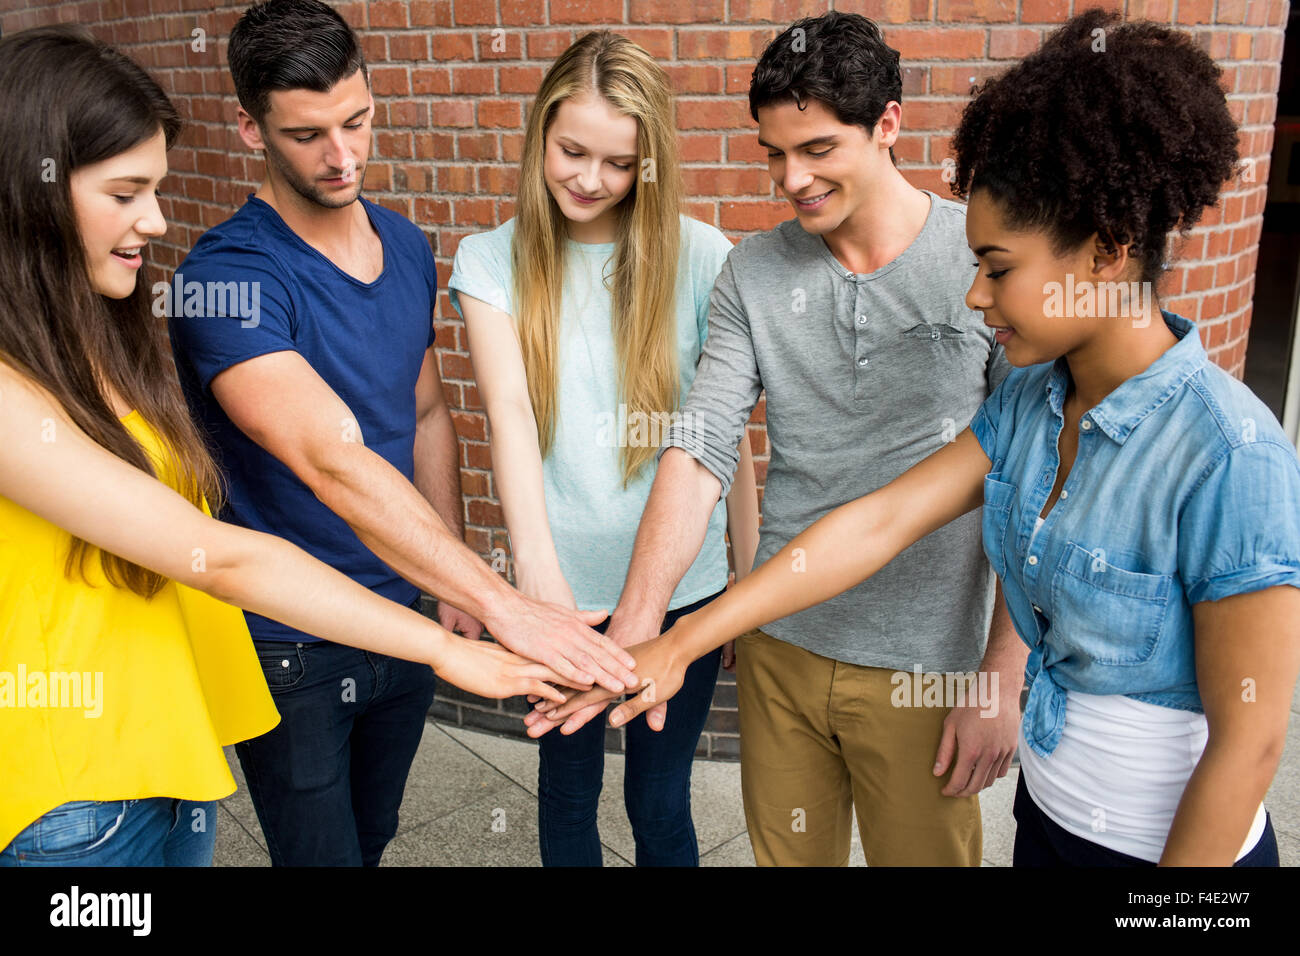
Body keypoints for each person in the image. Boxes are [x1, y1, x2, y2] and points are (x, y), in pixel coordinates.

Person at [537, 9, 1300, 867]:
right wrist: (673, 636)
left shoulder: (1232, 453)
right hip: (1039, 818)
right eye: (774, 154)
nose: (975, 295)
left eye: (998, 270)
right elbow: (865, 519)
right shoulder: (1031, 413)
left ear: (1106, 253)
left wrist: (995, 674)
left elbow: (1249, 747)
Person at [0, 25, 567, 868]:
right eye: (126, 193)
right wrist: (490, 608)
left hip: (173, 742)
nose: (155, 220)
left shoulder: (88, 343)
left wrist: (447, 585)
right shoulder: (225, 280)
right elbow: (260, 522)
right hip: (101, 772)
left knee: (369, 838)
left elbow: (427, 413)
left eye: (358, 122)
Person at [449, 31, 760, 867]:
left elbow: (719, 440)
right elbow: (508, 414)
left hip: (684, 591)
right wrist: (537, 582)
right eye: (571, 150)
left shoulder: (704, 255)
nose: (589, 179)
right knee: (567, 792)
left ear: (648, 163)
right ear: (540, 136)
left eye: (618, 163)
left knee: (658, 801)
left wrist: (747, 577)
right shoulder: (489, 261)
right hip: (564, 603)